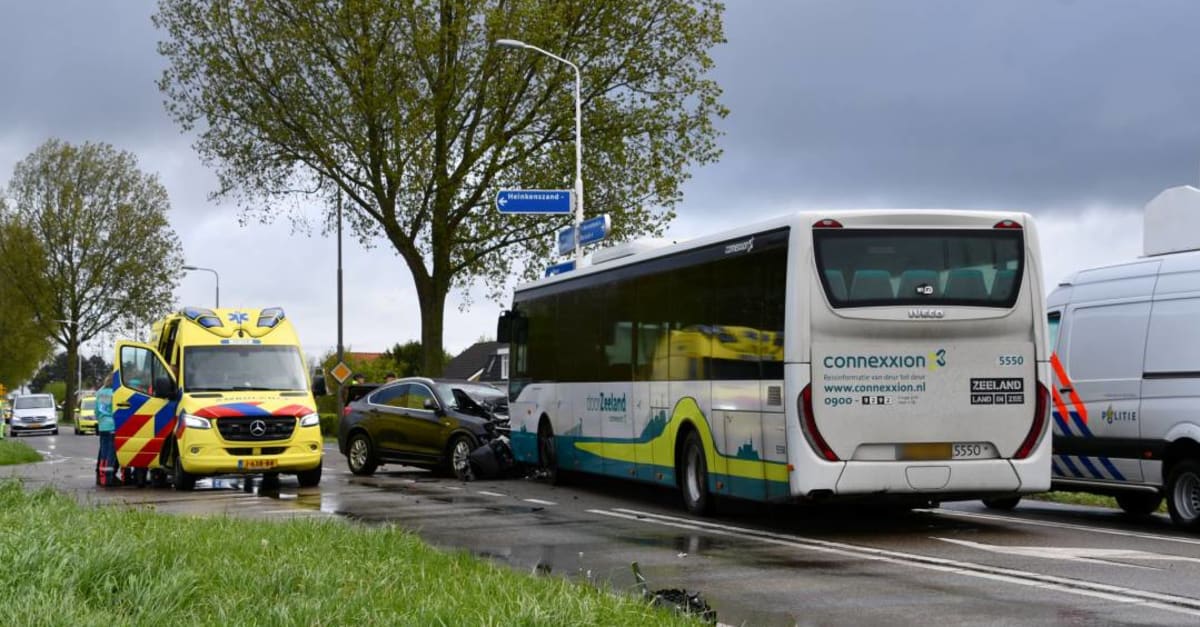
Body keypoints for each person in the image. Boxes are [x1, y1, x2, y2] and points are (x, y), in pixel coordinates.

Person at [95, 382, 119, 487]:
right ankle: (109, 477)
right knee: (111, 452)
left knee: (103, 452)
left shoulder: (99, 393)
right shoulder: (115, 393)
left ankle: (101, 477)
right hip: (111, 425)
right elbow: (116, 410)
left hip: (102, 425)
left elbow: (96, 410)